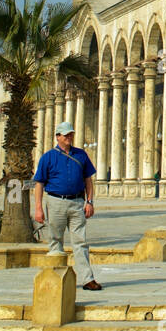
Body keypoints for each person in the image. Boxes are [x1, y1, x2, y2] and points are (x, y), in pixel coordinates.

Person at [32, 120, 102, 291]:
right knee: (55, 239)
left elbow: (88, 181)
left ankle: (87, 279)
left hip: (77, 202)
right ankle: (56, 277)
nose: (69, 137)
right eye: (66, 135)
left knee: (80, 241)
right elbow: (39, 184)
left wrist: (90, 202)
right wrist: (39, 208)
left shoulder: (81, 155)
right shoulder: (48, 157)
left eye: (71, 134)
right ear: (58, 137)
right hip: (56, 202)